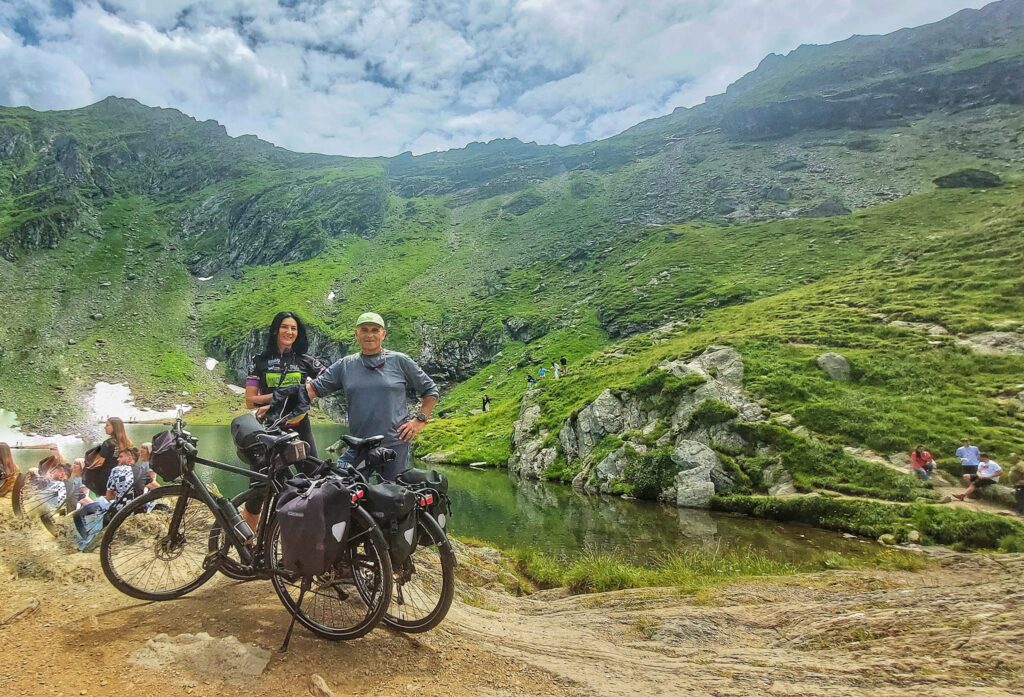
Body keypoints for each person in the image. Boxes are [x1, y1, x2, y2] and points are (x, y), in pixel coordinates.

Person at [295, 311, 439, 480]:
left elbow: (430, 390)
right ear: (357, 333)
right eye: (364, 330)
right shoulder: (345, 365)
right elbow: (313, 389)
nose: (369, 335)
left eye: (375, 330)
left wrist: (419, 420)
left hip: (394, 444)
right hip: (358, 445)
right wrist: (277, 403)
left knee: (393, 496)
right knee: (338, 485)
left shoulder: (400, 361)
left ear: (383, 334)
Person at [245, 311, 325, 456]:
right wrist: (283, 396)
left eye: (293, 328)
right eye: (284, 327)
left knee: (314, 474)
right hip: (268, 426)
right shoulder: (258, 360)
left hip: (299, 424)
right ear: (276, 330)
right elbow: (250, 401)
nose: (289, 332)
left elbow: (329, 381)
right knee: (263, 477)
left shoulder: (306, 360)